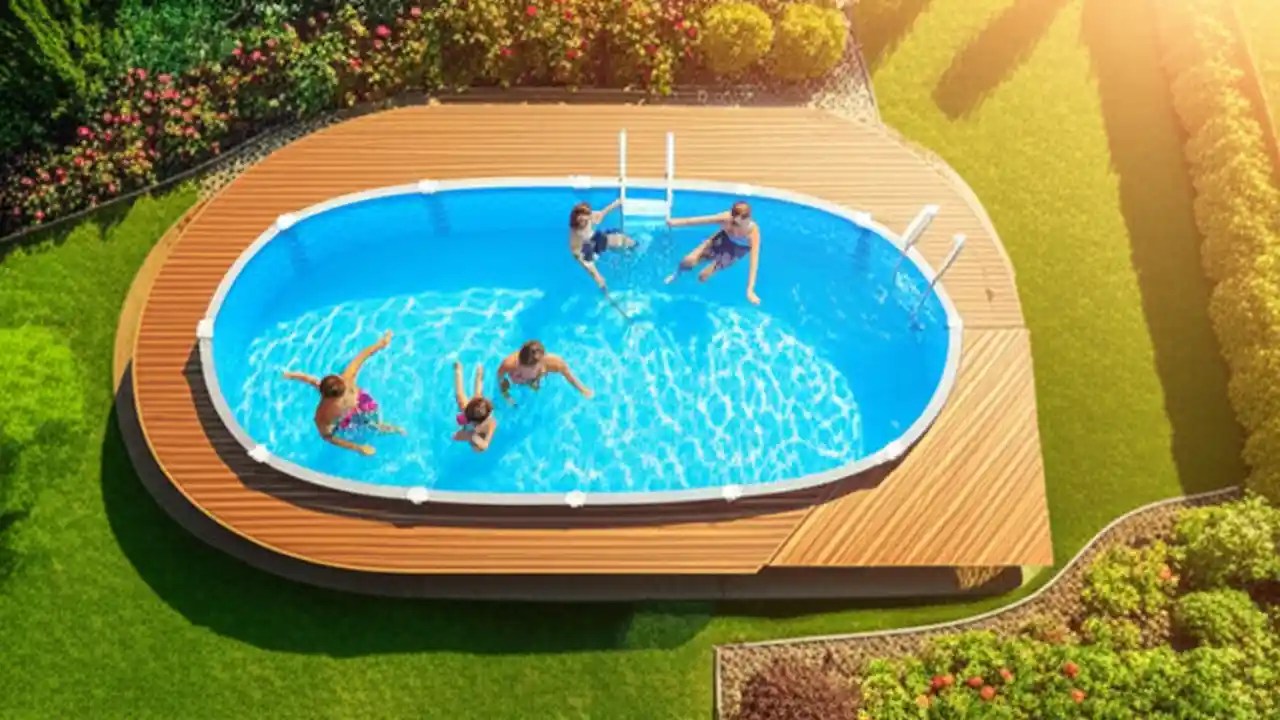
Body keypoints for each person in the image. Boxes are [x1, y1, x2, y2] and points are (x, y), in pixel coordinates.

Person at [283, 330, 404, 456]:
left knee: (375, 423)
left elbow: (363, 355)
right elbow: (328, 437)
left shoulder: (347, 379)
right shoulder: (323, 415)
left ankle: (381, 425)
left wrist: (381, 343)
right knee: (358, 427)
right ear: (327, 398)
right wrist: (358, 448)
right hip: (345, 418)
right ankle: (378, 427)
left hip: (362, 402)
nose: (347, 389)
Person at [664, 200, 762, 305]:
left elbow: (754, 262)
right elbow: (698, 221)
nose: (737, 227)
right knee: (688, 260)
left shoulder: (753, 233)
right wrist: (675, 223)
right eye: (735, 223)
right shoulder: (727, 218)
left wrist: (750, 290)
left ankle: (698, 292)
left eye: (740, 224)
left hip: (734, 251)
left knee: (703, 276)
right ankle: (676, 275)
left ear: (748, 218)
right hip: (722, 238)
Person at [568, 199, 636, 292]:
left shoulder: (589, 216)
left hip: (595, 239)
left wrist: (615, 204)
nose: (586, 220)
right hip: (584, 249)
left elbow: (602, 213)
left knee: (625, 240)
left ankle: (634, 249)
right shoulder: (575, 235)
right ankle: (604, 289)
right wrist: (596, 275)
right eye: (582, 220)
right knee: (598, 278)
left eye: (587, 218)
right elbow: (578, 255)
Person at [496, 339, 593, 404]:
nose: (521, 374)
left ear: (541, 362)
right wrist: (506, 396)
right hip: (518, 380)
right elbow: (500, 377)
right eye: (520, 368)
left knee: (535, 385)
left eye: (525, 370)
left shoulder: (555, 363)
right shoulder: (509, 364)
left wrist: (582, 389)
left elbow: (568, 375)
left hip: (536, 376)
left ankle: (533, 382)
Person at [454, 360, 498, 452]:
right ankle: (474, 372)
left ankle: (460, 370)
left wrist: (472, 436)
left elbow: (485, 445)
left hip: (474, 423)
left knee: (469, 395)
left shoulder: (490, 423)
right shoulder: (490, 422)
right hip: (476, 413)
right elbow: (455, 436)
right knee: (468, 396)